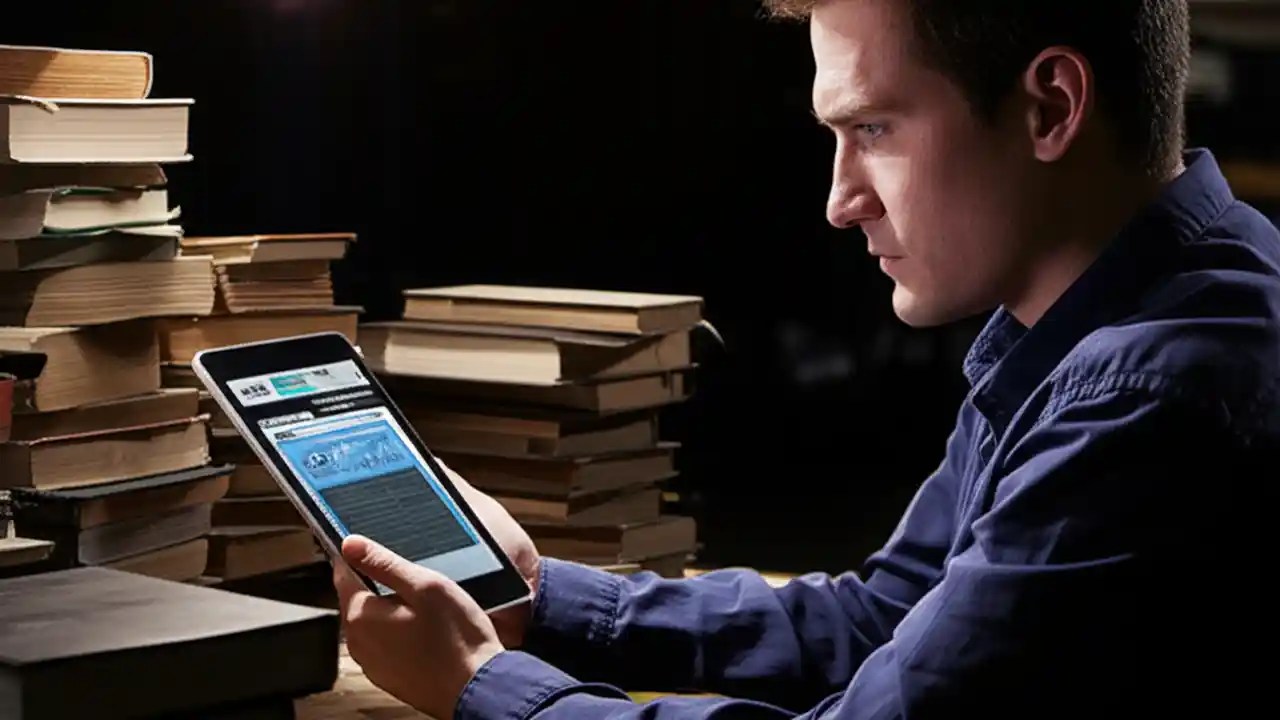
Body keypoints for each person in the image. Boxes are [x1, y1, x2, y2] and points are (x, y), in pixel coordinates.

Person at [333, 0, 1280, 717]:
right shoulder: (1093, 322)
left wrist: (484, 687)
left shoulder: (1155, 395)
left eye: (872, 129)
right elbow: (884, 621)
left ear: (1050, 107)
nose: (840, 199)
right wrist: (539, 601)